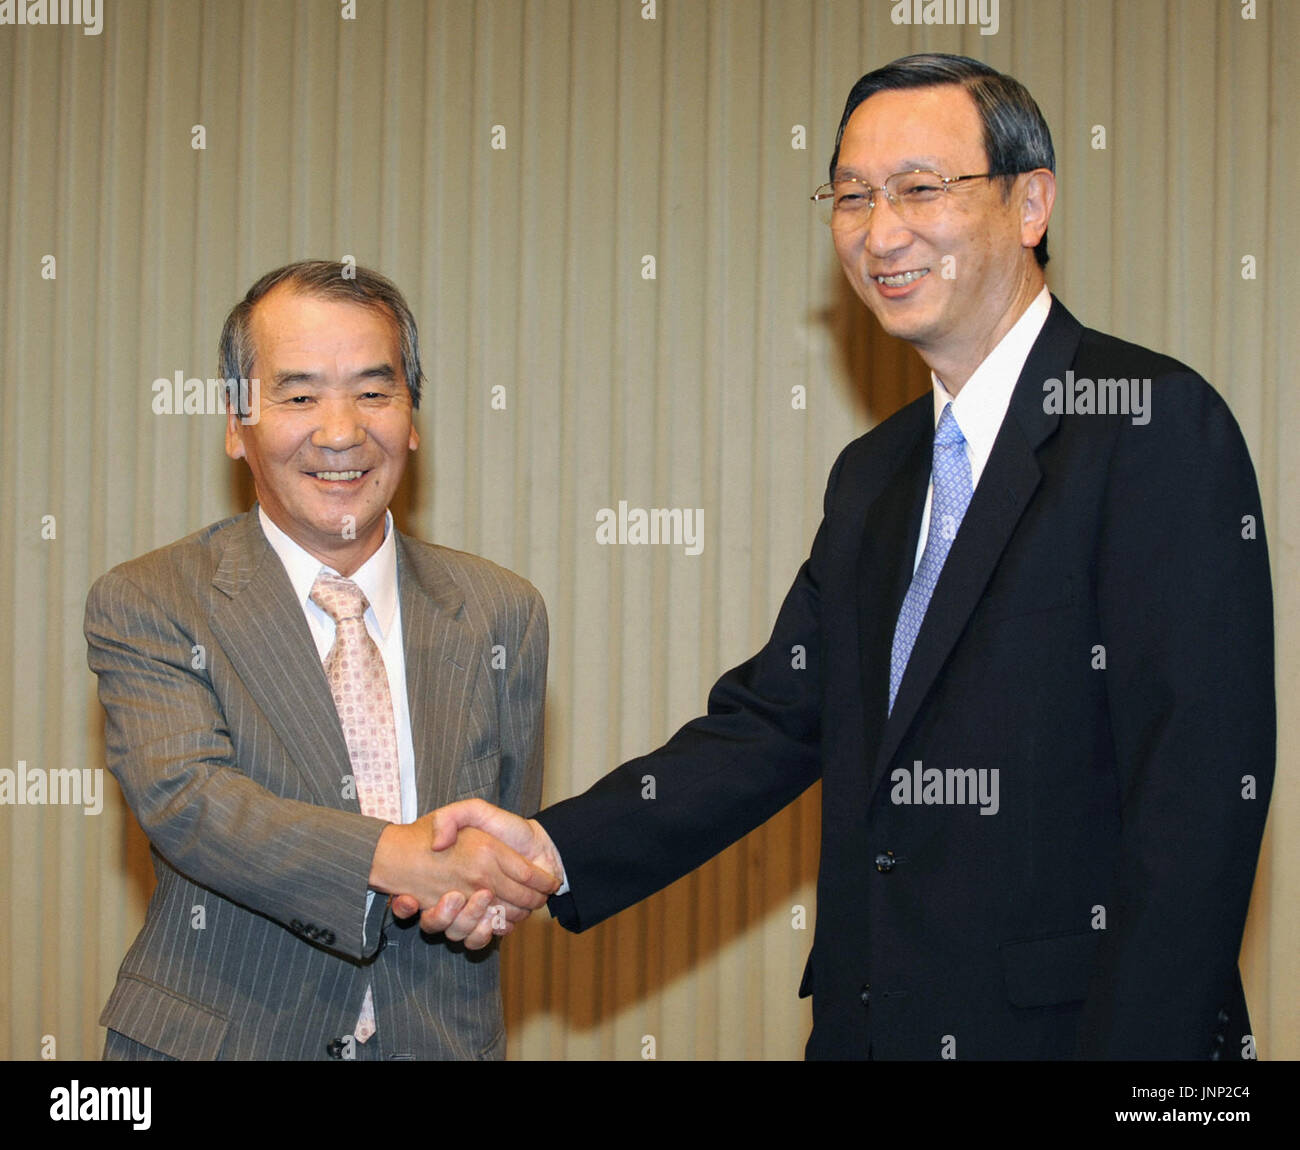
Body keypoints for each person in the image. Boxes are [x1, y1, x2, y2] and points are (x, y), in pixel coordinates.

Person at [417, 54, 1276, 1060]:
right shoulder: (877, 472)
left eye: (920, 188)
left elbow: (1198, 799)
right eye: (853, 196)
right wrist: (553, 848)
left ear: (1031, 203)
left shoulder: (1148, 424)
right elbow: (774, 720)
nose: (881, 231)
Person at [86, 259, 557, 1061]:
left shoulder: (501, 612)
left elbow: (498, 838)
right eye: (299, 396)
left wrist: (495, 891)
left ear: (412, 417)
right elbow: (190, 802)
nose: (341, 433)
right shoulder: (151, 599)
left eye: (373, 392)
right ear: (236, 424)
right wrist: (396, 858)